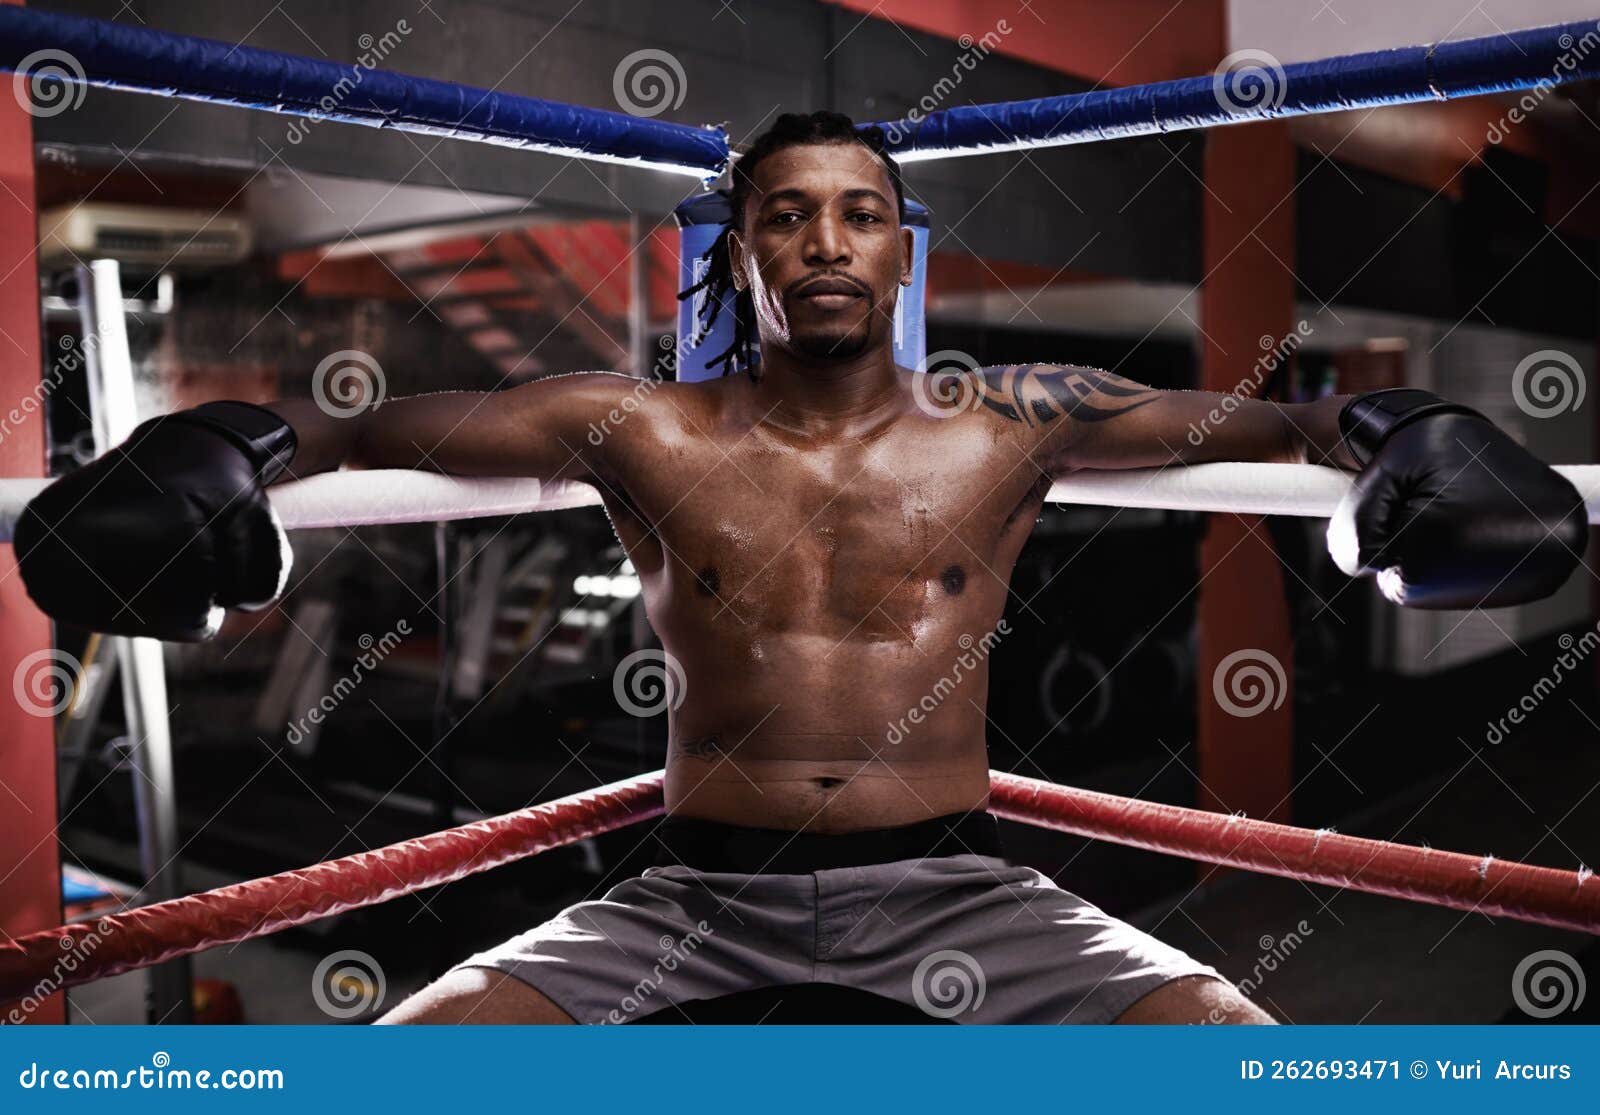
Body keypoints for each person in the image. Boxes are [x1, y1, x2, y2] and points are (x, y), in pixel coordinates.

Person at [15, 112, 1585, 1025]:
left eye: (857, 218)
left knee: (1243, 1058)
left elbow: (1284, 420)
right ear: (744, 253)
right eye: (787, 219)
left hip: (963, 882)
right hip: (690, 893)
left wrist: (1411, 430)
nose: (826, 243)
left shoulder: (1011, 421)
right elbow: (360, 429)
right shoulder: (636, 427)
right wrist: (215, 446)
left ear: (899, 250)